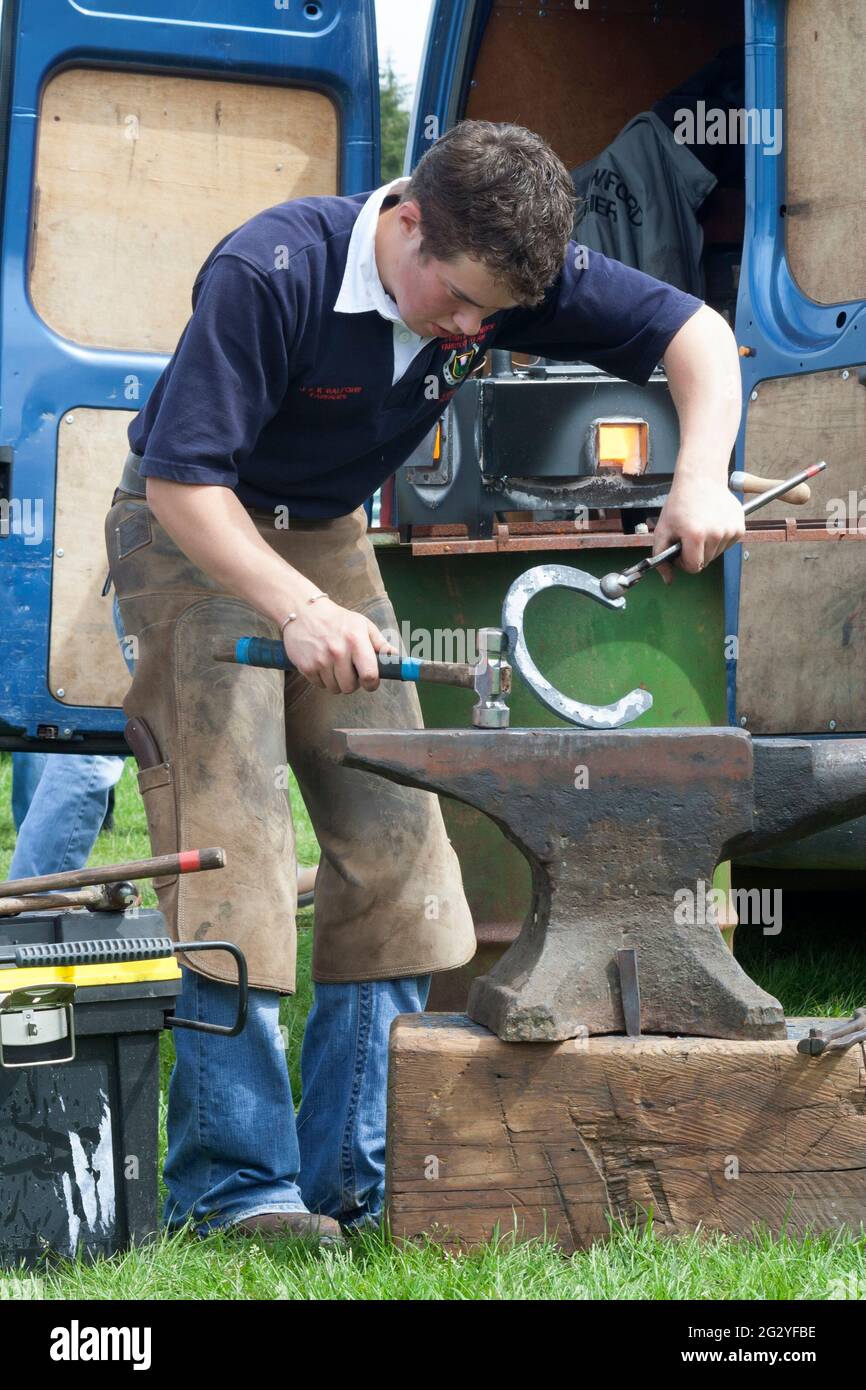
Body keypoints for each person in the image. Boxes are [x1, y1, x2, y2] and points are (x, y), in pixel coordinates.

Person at [104, 119, 745, 1245]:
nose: (470, 331)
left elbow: (693, 331)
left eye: (491, 317)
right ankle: (235, 1190)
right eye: (454, 302)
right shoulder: (273, 271)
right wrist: (297, 610)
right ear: (405, 220)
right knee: (233, 847)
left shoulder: (496, 269)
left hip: (331, 533)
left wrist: (696, 477)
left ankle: (349, 1174)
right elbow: (180, 484)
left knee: (401, 852)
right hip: (196, 536)